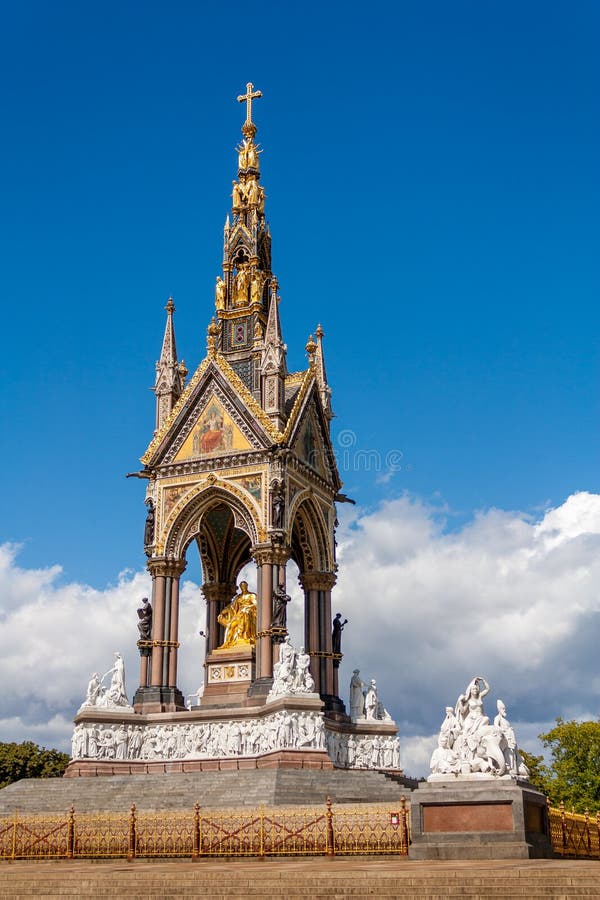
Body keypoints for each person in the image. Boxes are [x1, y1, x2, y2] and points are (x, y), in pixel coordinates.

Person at [217, 582, 257, 648]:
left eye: (244, 586)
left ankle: (245, 637)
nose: (243, 587)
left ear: (247, 586)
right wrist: (222, 613)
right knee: (231, 625)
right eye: (241, 586)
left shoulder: (252, 595)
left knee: (245, 614)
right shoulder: (238, 597)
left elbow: (256, 605)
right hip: (239, 614)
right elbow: (231, 607)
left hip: (249, 613)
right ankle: (228, 643)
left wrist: (248, 607)